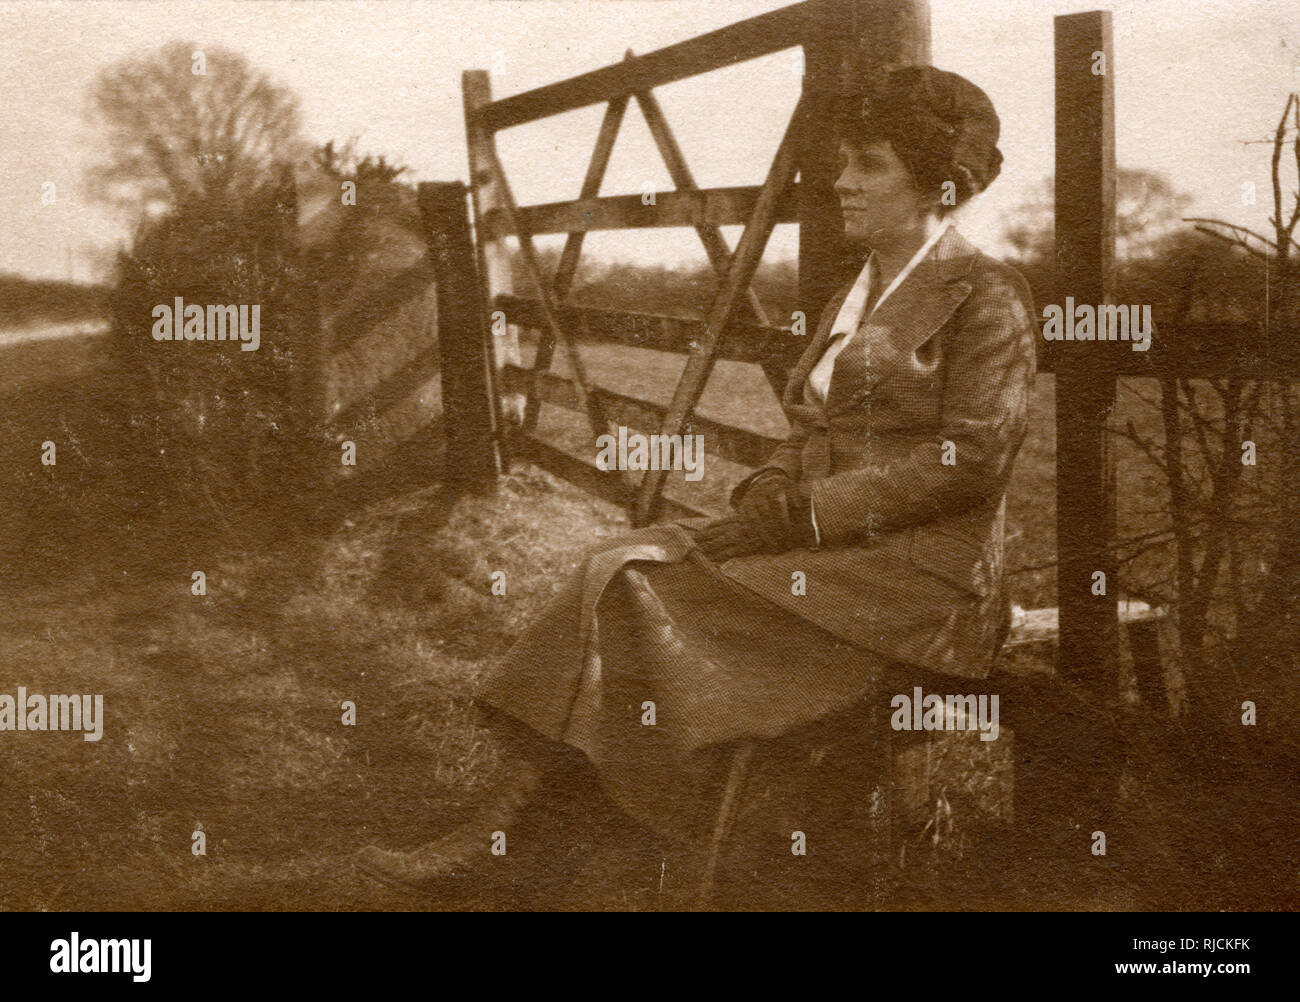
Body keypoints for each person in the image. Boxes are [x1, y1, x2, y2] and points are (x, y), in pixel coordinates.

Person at [356, 65, 1038, 899]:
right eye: (843, 162)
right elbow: (813, 425)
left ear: (939, 183)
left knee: (640, 589)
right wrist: (766, 492)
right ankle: (536, 830)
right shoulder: (856, 290)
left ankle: (560, 837)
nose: (842, 182)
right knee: (611, 564)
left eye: (869, 166)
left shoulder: (989, 296)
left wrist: (803, 516)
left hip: (922, 578)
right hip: (824, 550)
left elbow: (972, 460)